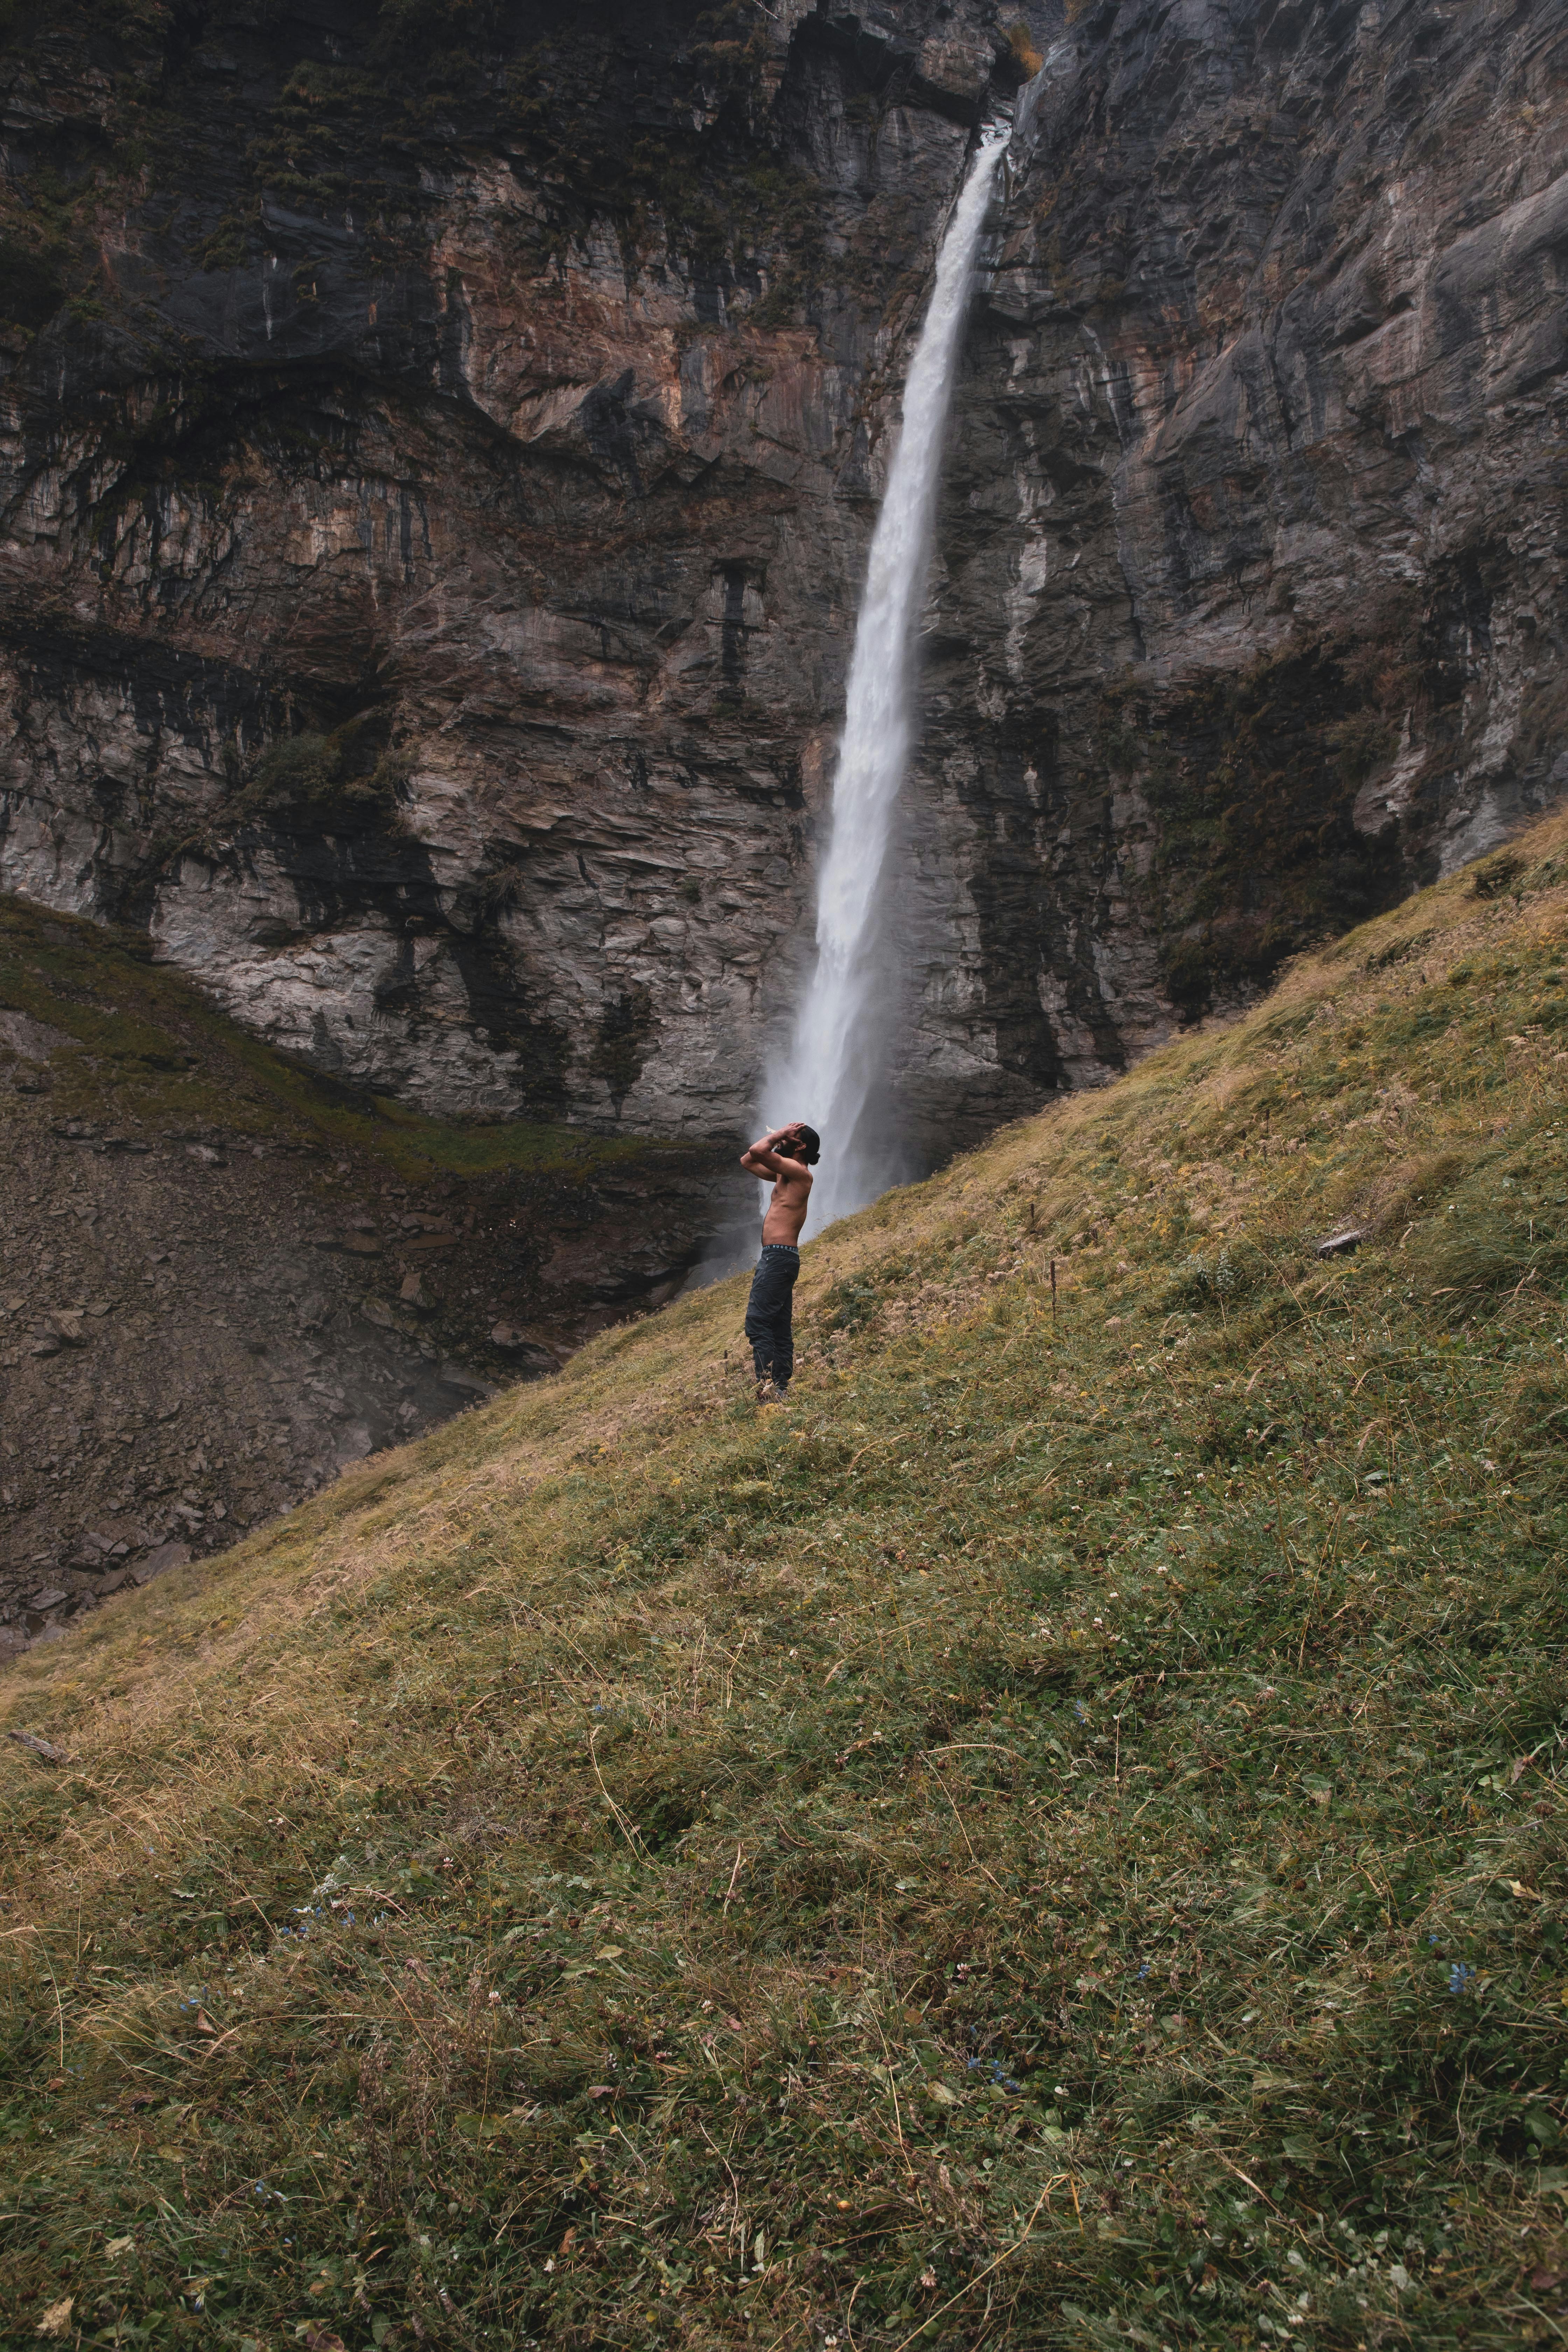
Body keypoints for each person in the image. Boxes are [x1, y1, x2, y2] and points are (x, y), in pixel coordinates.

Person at [738, 1119, 820, 1403]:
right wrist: (782, 1138)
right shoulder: (784, 1176)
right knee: (778, 1327)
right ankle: (781, 1389)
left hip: (778, 1258)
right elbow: (748, 1160)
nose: (782, 1136)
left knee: (758, 1323)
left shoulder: (800, 1174)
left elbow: (758, 1151)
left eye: (791, 1136)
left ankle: (767, 1391)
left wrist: (781, 1135)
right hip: (778, 1258)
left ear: (801, 1145)